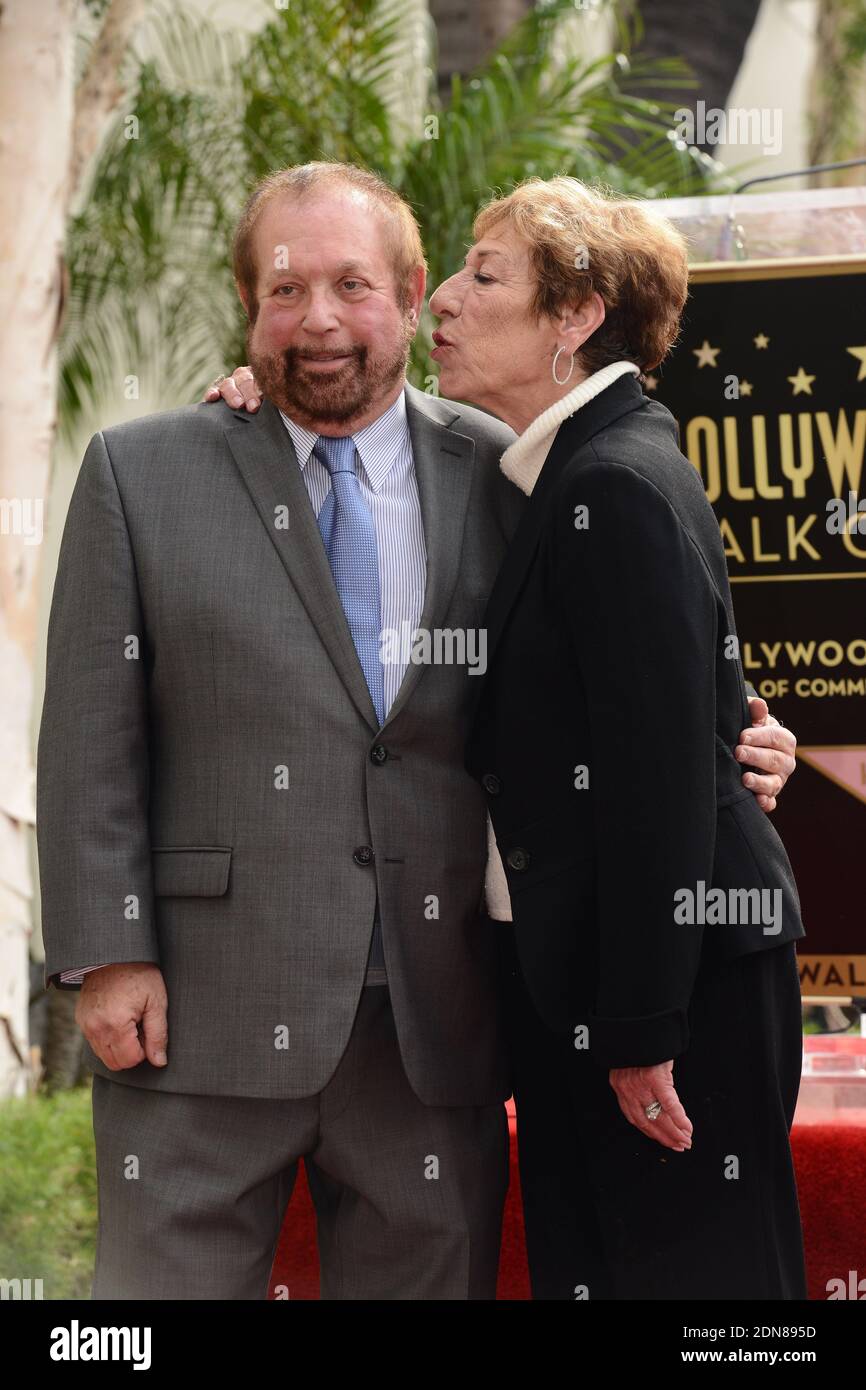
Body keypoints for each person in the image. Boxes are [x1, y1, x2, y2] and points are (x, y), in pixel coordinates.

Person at [37, 160, 794, 1303]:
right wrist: (108, 951)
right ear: (249, 309)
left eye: (352, 285)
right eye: (285, 293)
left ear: (408, 291)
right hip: (198, 1016)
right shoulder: (144, 472)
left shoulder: (515, 472)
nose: (319, 319)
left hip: (437, 1024)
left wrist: (738, 743)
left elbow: (626, 670)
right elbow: (91, 732)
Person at [430, 176, 808, 1300]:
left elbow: (649, 784)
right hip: (610, 983)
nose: (440, 300)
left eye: (482, 274)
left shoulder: (612, 481)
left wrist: (640, 1028)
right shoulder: (577, 469)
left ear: (576, 313)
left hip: (660, 992)